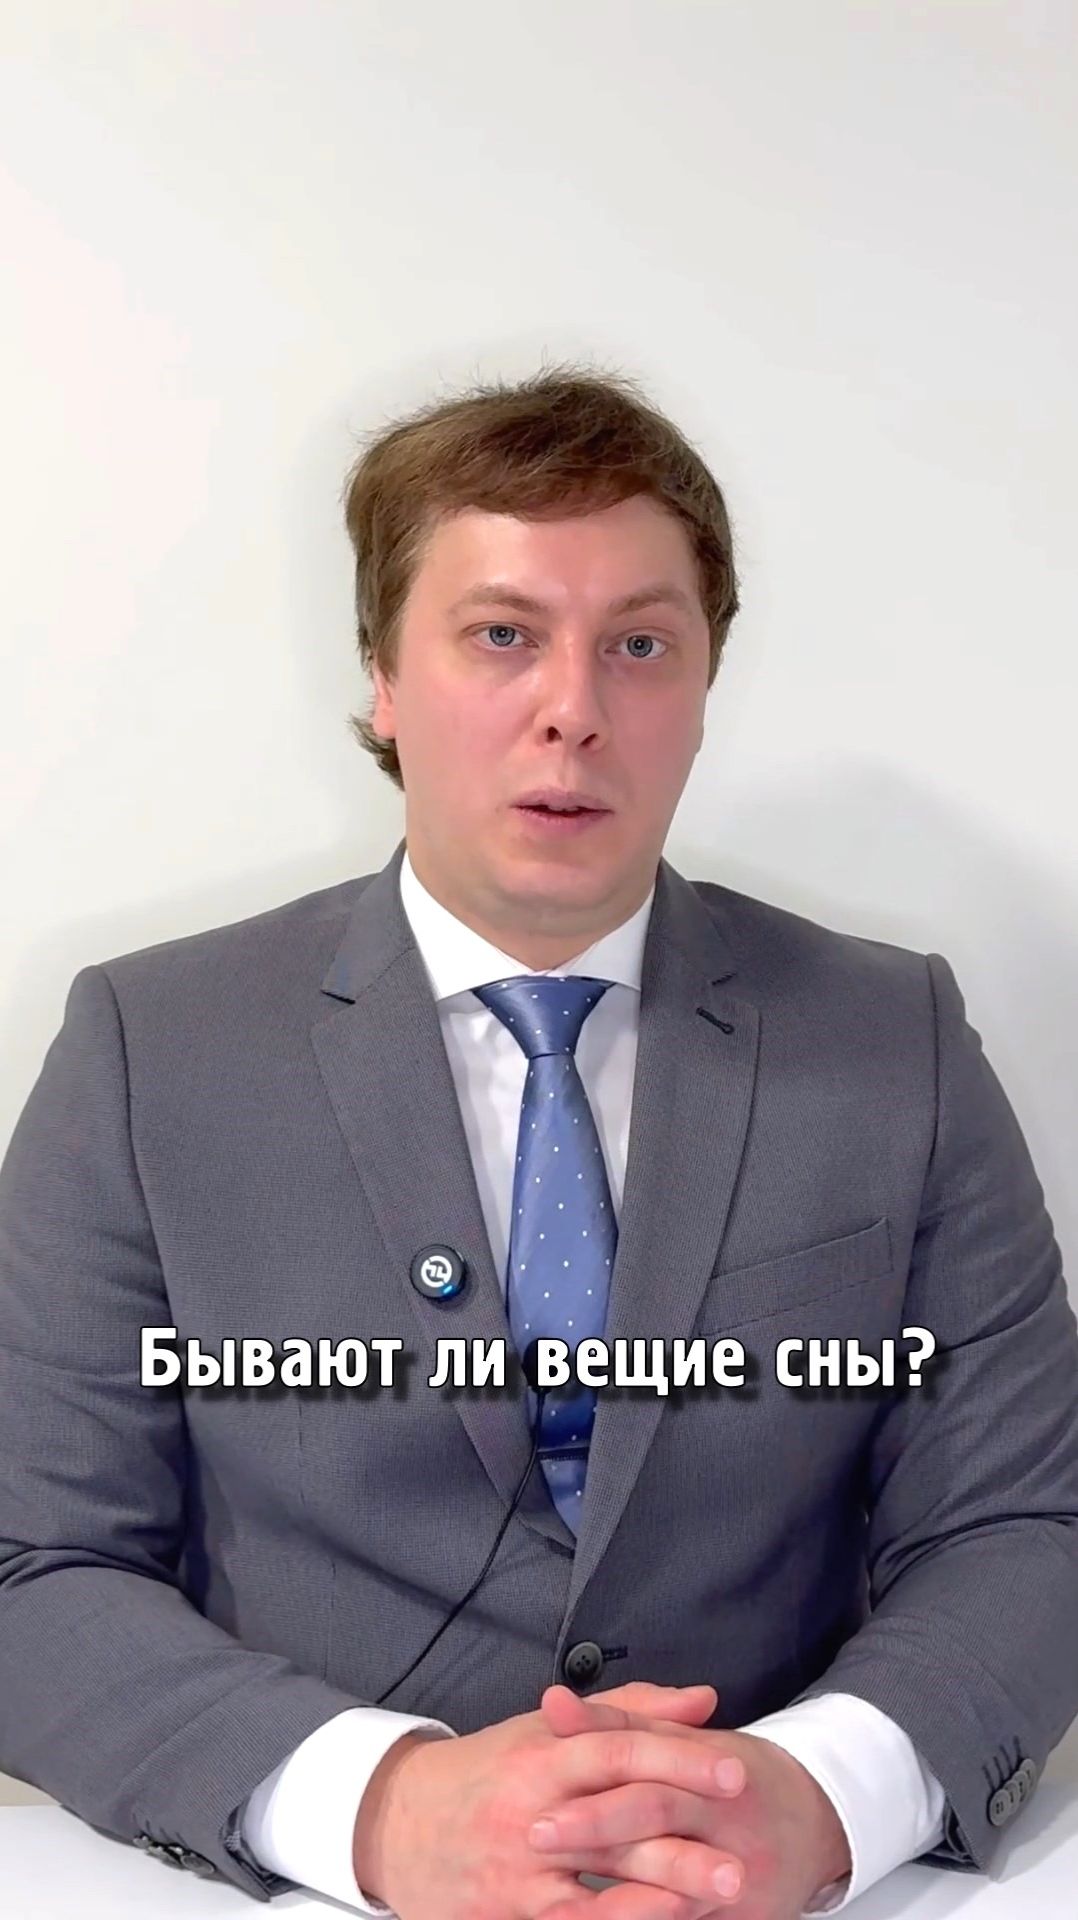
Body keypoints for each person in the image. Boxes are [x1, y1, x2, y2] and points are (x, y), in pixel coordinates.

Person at [1, 365, 1076, 1920]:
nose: (573, 707)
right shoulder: (146, 1048)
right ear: (383, 676)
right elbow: (28, 1562)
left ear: (701, 686)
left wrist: (815, 1797)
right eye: (502, 634)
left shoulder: (891, 1035)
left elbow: (1024, 1524)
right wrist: (378, 1810)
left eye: (638, 644)